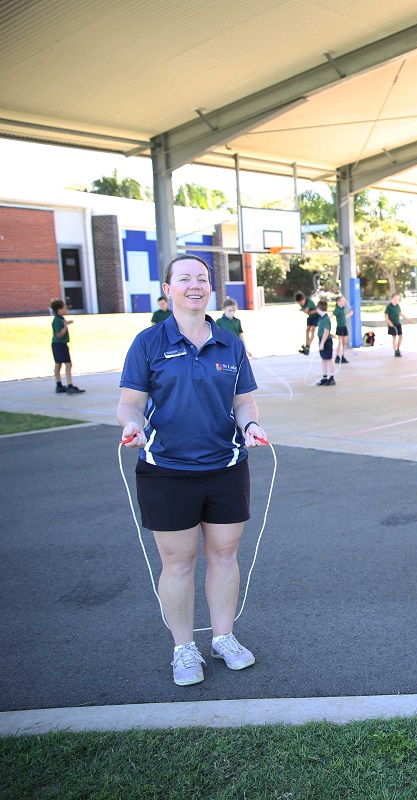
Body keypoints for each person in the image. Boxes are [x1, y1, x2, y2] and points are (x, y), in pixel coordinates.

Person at [117, 253, 266, 686]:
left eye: (202, 278)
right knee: (178, 563)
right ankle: (184, 648)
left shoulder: (230, 343)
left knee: (224, 555)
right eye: (184, 278)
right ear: (168, 290)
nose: (195, 285)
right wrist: (131, 423)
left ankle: (224, 637)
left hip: (226, 467)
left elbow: (243, 401)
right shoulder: (148, 342)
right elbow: (131, 401)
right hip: (166, 471)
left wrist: (251, 424)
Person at [49, 298, 85, 395]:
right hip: (59, 344)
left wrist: (66, 323)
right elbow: (59, 335)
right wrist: (65, 326)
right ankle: (69, 385)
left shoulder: (60, 319)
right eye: (64, 308)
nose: (66, 309)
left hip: (60, 344)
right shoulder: (57, 320)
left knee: (59, 364)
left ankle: (59, 384)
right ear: (59, 310)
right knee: (67, 364)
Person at [384, 292, 413, 357]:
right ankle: (396, 350)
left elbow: (400, 313)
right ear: (392, 299)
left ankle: (398, 348)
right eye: (395, 299)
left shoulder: (397, 306)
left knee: (400, 336)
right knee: (394, 337)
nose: (396, 300)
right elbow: (386, 316)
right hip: (392, 324)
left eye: (398, 299)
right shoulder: (389, 307)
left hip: (398, 323)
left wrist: (407, 319)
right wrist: (389, 323)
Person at [315, 300, 335, 386]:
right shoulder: (322, 318)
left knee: (329, 359)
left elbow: (326, 331)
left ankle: (331, 377)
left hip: (326, 341)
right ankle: (324, 377)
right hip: (322, 340)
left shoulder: (326, 319)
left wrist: (322, 343)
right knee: (324, 359)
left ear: (319, 309)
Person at [332, 295, 354, 364]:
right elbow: (332, 315)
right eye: (342, 301)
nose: (344, 302)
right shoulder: (337, 310)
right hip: (340, 327)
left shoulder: (342, 309)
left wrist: (350, 314)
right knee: (340, 342)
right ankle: (337, 356)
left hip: (344, 327)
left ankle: (343, 356)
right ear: (338, 302)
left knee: (344, 342)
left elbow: (344, 317)